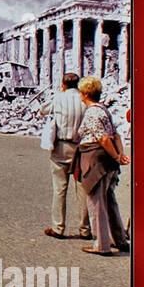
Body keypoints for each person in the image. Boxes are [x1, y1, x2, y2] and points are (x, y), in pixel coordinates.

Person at [74, 75, 131, 256]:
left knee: (96, 202)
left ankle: (102, 244)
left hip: (95, 157)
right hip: (107, 159)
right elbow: (116, 136)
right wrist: (119, 155)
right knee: (110, 200)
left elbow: (104, 138)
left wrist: (116, 156)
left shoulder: (91, 112)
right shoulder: (104, 110)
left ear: (85, 94)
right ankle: (120, 239)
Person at [43, 72, 91, 240]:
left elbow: (43, 110)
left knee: (59, 189)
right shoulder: (84, 100)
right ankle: (85, 229)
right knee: (83, 190)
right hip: (80, 148)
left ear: (63, 84)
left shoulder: (58, 98)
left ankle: (58, 227)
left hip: (61, 147)